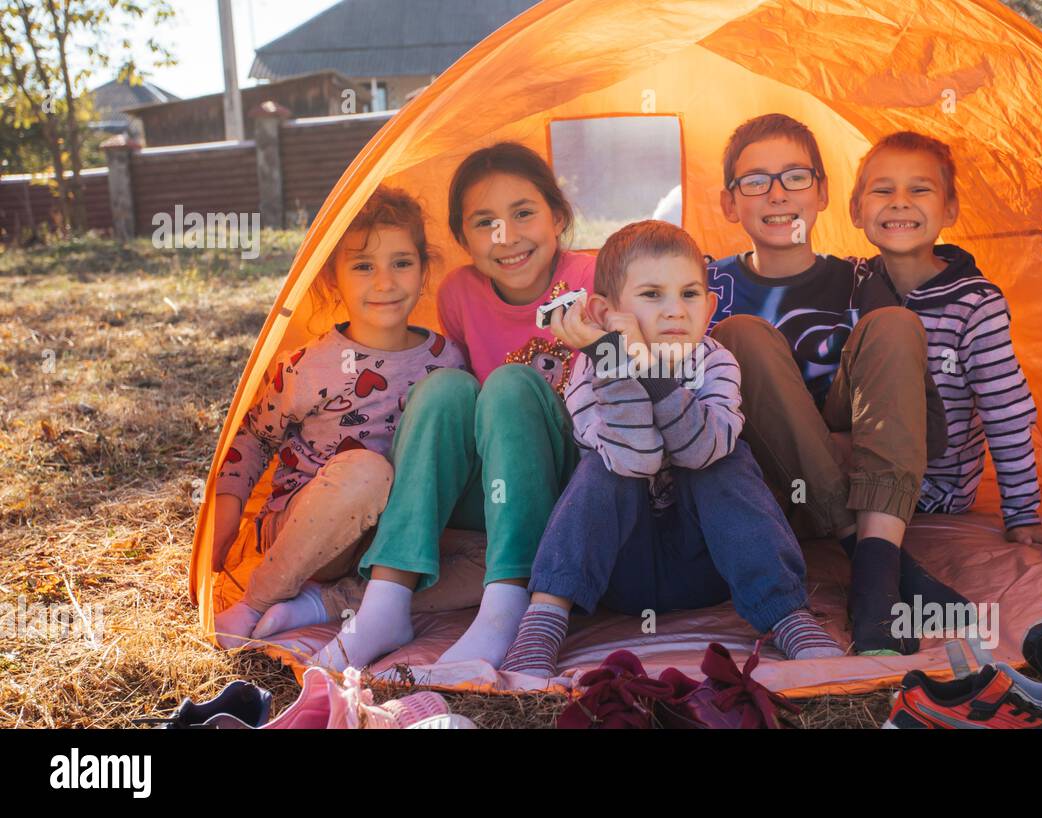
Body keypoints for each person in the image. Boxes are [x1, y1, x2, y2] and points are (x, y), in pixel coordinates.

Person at [498, 220, 843, 679]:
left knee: (726, 458)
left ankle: (787, 614)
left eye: (689, 295)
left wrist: (652, 371)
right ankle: (543, 621)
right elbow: (632, 460)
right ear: (604, 312)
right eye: (652, 294)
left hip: (709, 565)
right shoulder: (588, 368)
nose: (675, 311)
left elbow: (702, 450)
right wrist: (618, 361)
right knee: (602, 470)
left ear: (709, 307)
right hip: (619, 570)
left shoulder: (715, 360)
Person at [309, 142, 597, 671]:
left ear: (557, 216)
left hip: (576, 483)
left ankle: (507, 604)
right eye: (484, 223)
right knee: (445, 388)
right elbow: (465, 416)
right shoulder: (459, 293)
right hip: (502, 493)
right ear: (463, 239)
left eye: (523, 214)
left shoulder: (592, 279)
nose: (505, 237)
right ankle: (386, 601)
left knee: (510, 385)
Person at [707, 113, 958, 654]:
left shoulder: (862, 280)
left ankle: (873, 583)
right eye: (755, 181)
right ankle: (878, 569)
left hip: (875, 490)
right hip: (766, 492)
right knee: (740, 335)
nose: (777, 194)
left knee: (894, 323)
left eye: (795, 176)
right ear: (730, 203)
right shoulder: (708, 288)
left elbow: (927, 433)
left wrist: (844, 446)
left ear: (821, 192)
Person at [210, 186, 466, 649]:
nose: (384, 282)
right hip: (311, 529)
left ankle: (328, 604)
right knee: (367, 471)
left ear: (424, 270)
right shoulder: (308, 364)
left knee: (501, 560)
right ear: (334, 278)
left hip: (395, 543)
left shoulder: (450, 361)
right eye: (363, 266)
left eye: (402, 263)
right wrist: (221, 528)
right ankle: (258, 602)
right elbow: (253, 439)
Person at [847, 131, 1042, 547]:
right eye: (883, 190)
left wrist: (1022, 515)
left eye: (919, 189)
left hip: (932, 490)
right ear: (855, 210)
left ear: (950, 210)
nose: (900, 201)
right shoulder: (850, 285)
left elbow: (1006, 413)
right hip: (855, 468)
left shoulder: (975, 304)